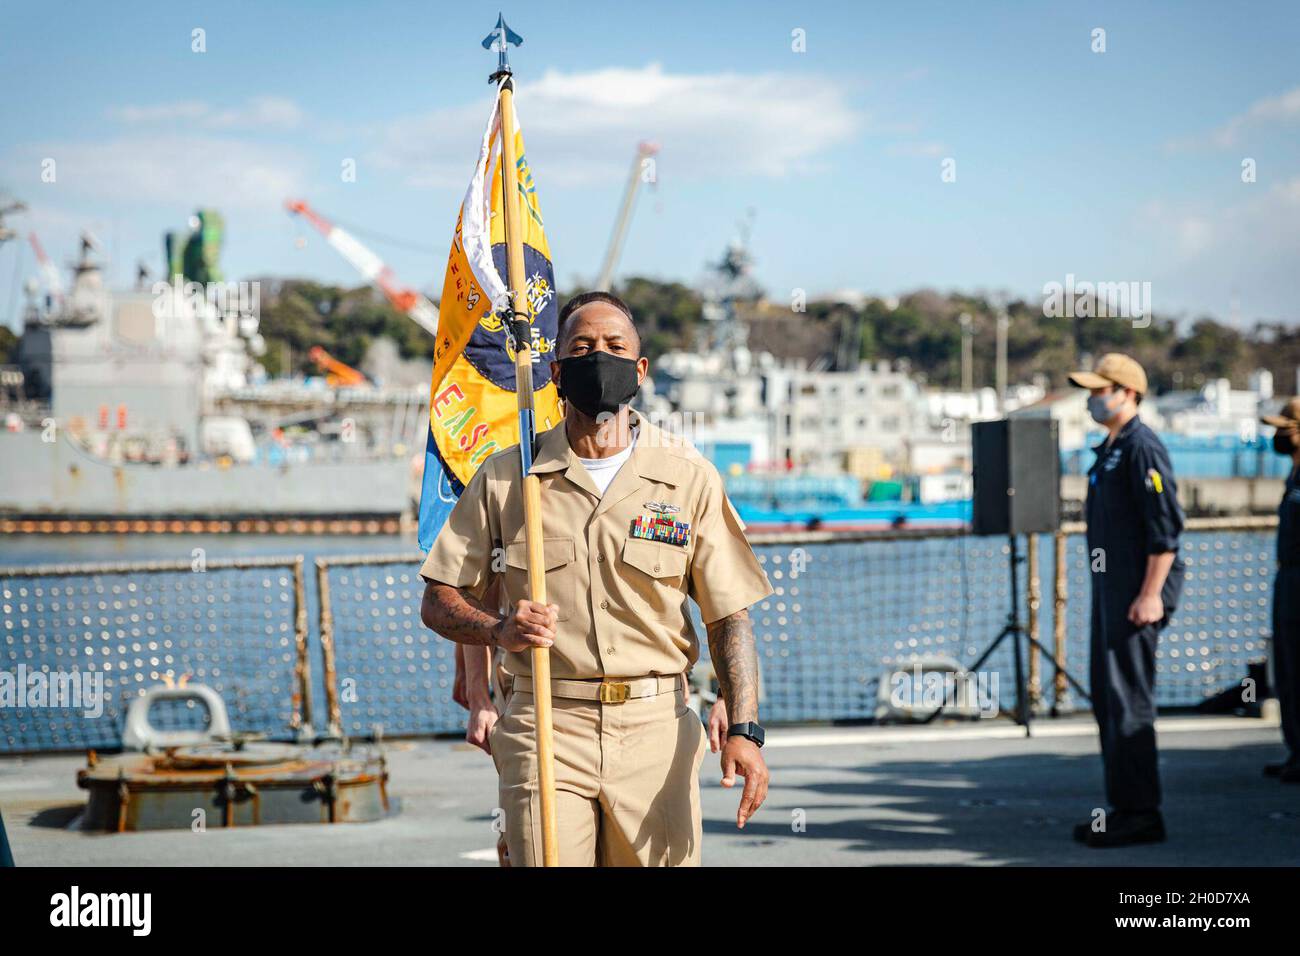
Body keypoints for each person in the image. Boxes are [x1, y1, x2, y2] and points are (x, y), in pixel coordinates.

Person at [420, 291, 773, 866]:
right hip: (544, 730)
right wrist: (498, 629)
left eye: (614, 347)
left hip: (656, 730)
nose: (598, 358)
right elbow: (438, 599)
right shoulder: (510, 478)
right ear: (556, 371)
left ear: (639, 371)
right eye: (582, 348)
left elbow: (728, 615)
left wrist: (746, 730)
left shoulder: (688, 478)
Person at [1068, 353, 1184, 847]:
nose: (1094, 398)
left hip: (1137, 594)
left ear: (1128, 393)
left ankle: (1142, 813)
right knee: (1110, 702)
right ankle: (1123, 805)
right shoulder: (1111, 448)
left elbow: (1165, 531)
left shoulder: (1142, 448)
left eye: (1101, 389)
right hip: (1113, 591)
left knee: (1130, 702)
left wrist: (1150, 594)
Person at [1261, 397, 1300, 783]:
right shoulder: (1293, 476)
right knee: (1288, 671)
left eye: (1285, 429)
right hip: (1287, 577)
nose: (1278, 436)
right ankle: (1296, 750)